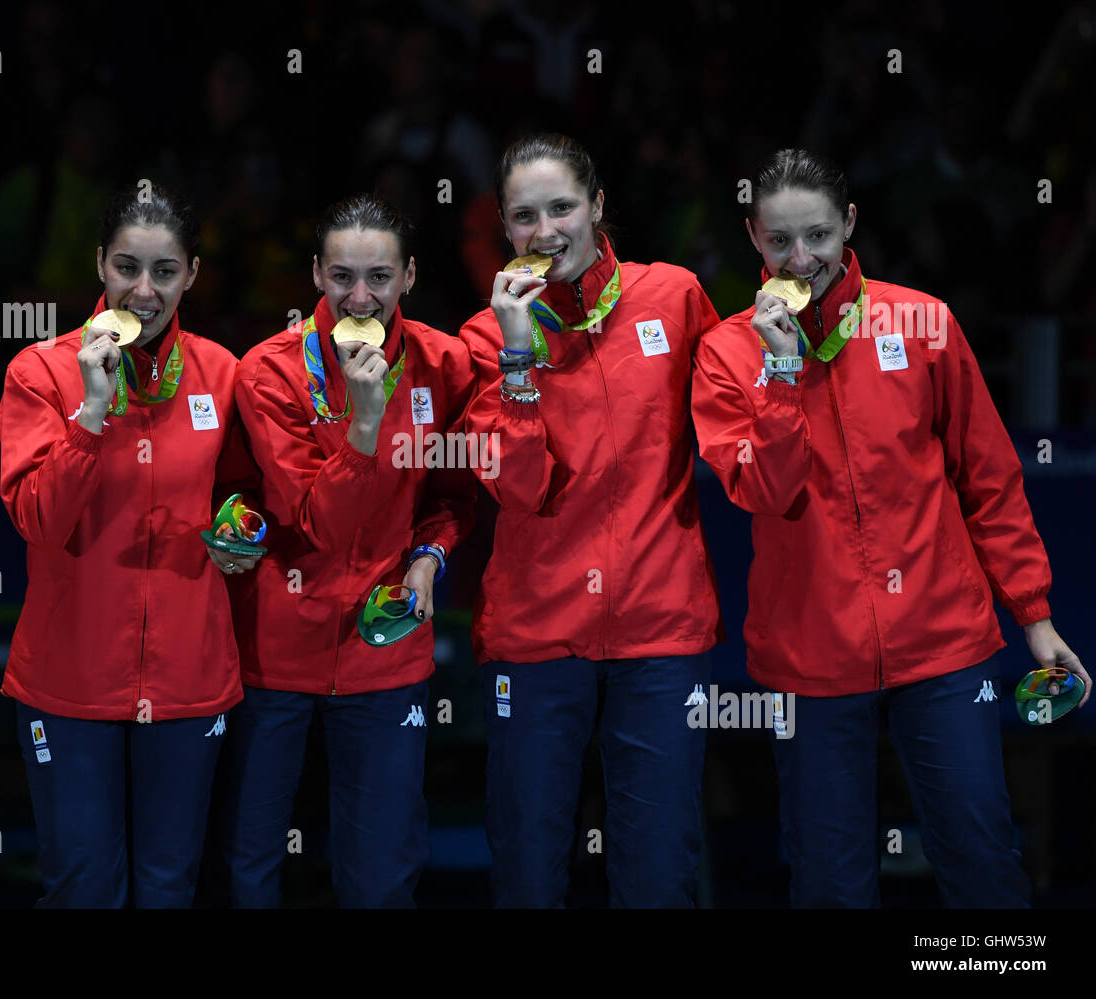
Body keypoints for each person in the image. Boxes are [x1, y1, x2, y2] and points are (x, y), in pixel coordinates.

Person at [691, 148, 1090, 907]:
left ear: (849, 223)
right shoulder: (725, 352)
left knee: (980, 858)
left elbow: (990, 479)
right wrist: (780, 375)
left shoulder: (924, 321)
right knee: (830, 880)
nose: (800, 259)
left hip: (942, 641)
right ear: (752, 235)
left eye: (816, 235)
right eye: (780, 241)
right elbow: (765, 492)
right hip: (810, 655)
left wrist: (1034, 617)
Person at [459, 133, 723, 908]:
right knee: (530, 873)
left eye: (562, 208)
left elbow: (735, 426)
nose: (545, 233)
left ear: (599, 205)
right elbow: (518, 484)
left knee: (659, 873)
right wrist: (517, 357)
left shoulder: (673, 297)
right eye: (524, 217)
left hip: (660, 632)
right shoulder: (487, 336)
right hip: (537, 635)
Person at [0, 185, 260, 907]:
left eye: (166, 271)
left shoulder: (222, 374)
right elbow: (40, 521)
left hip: (188, 681)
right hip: (69, 682)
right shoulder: (40, 373)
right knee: (85, 888)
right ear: (99, 265)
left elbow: (243, 495)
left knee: (168, 888)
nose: (144, 291)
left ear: (193, 275)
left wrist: (244, 533)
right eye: (127, 267)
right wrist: (89, 413)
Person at [216, 194, 477, 907]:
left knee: (383, 871)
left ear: (411, 275)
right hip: (277, 647)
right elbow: (315, 518)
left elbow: (453, 495)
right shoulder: (267, 372)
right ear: (314, 275)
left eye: (380, 278)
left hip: (385, 644)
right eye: (340, 278)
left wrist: (430, 556)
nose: (360, 297)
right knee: (252, 865)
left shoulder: (445, 364)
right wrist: (365, 427)